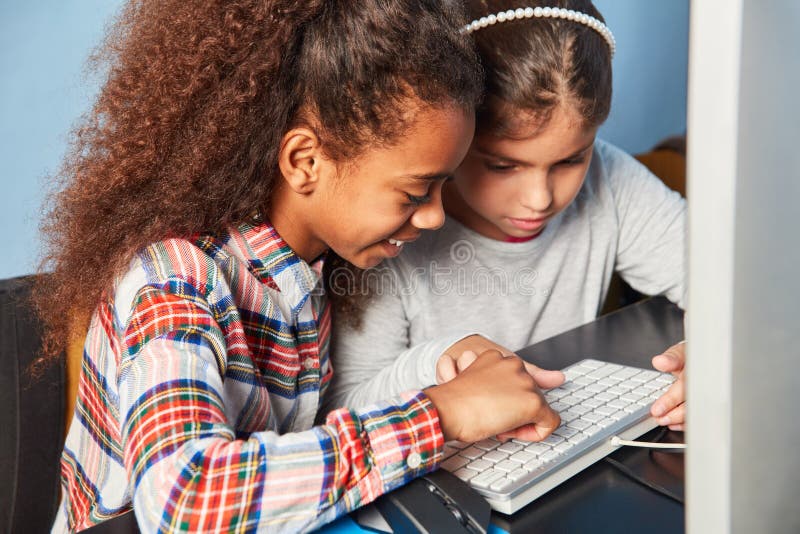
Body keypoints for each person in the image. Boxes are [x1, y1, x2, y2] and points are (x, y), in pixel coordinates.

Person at [34, 1, 563, 532]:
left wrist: (436, 368)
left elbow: (313, 445)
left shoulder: (309, 270)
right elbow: (185, 503)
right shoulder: (173, 280)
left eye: (443, 187)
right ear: (305, 162)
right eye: (415, 191)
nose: (435, 217)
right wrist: (440, 415)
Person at [328, 0, 688, 434]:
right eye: (503, 166)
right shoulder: (391, 231)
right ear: (451, 133)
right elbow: (344, 411)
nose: (539, 199)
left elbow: (732, 285)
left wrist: (711, 351)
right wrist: (442, 361)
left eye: (571, 161)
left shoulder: (609, 181)